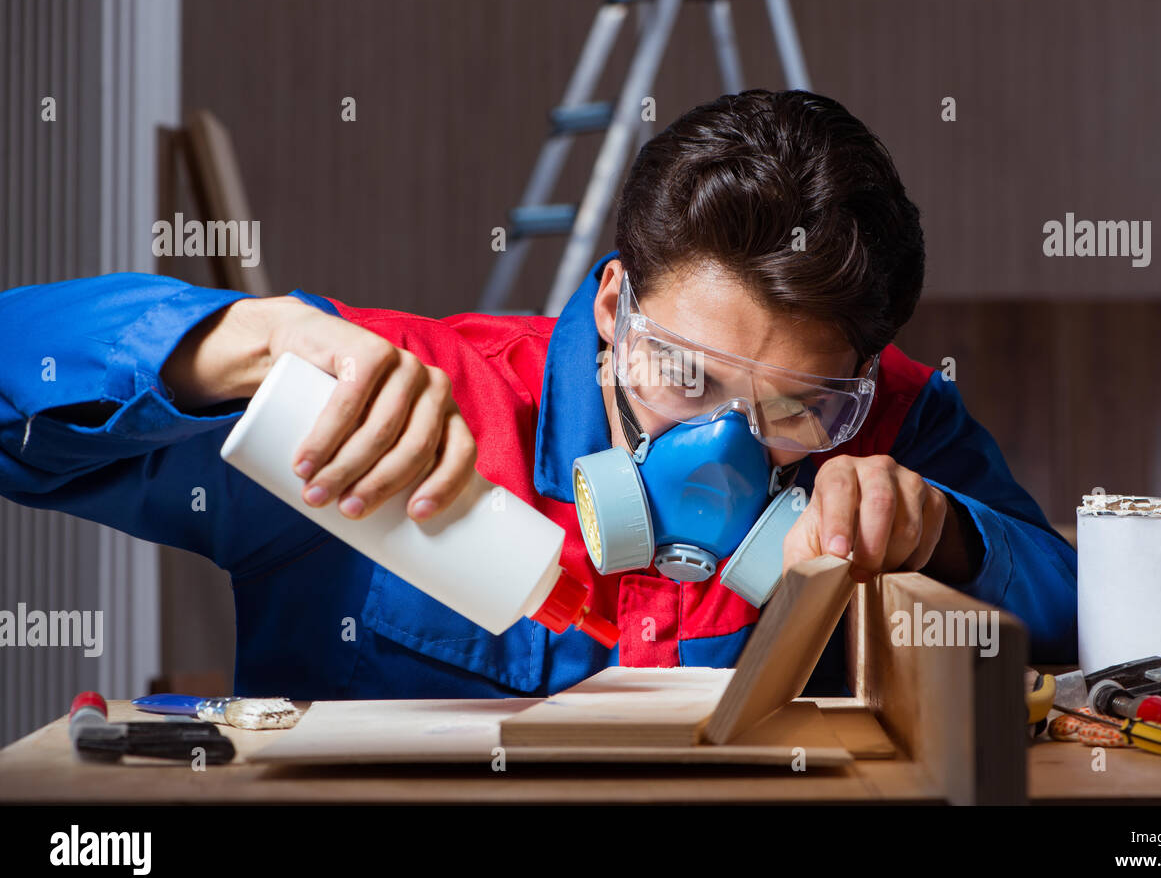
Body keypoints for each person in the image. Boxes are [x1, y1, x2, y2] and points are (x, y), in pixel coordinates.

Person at [0, 89, 1076, 699]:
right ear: (613, 307)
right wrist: (227, 341)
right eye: (683, 375)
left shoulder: (890, 424)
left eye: (798, 407)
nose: (725, 445)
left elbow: (1086, 630)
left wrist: (950, 536)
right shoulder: (393, 405)